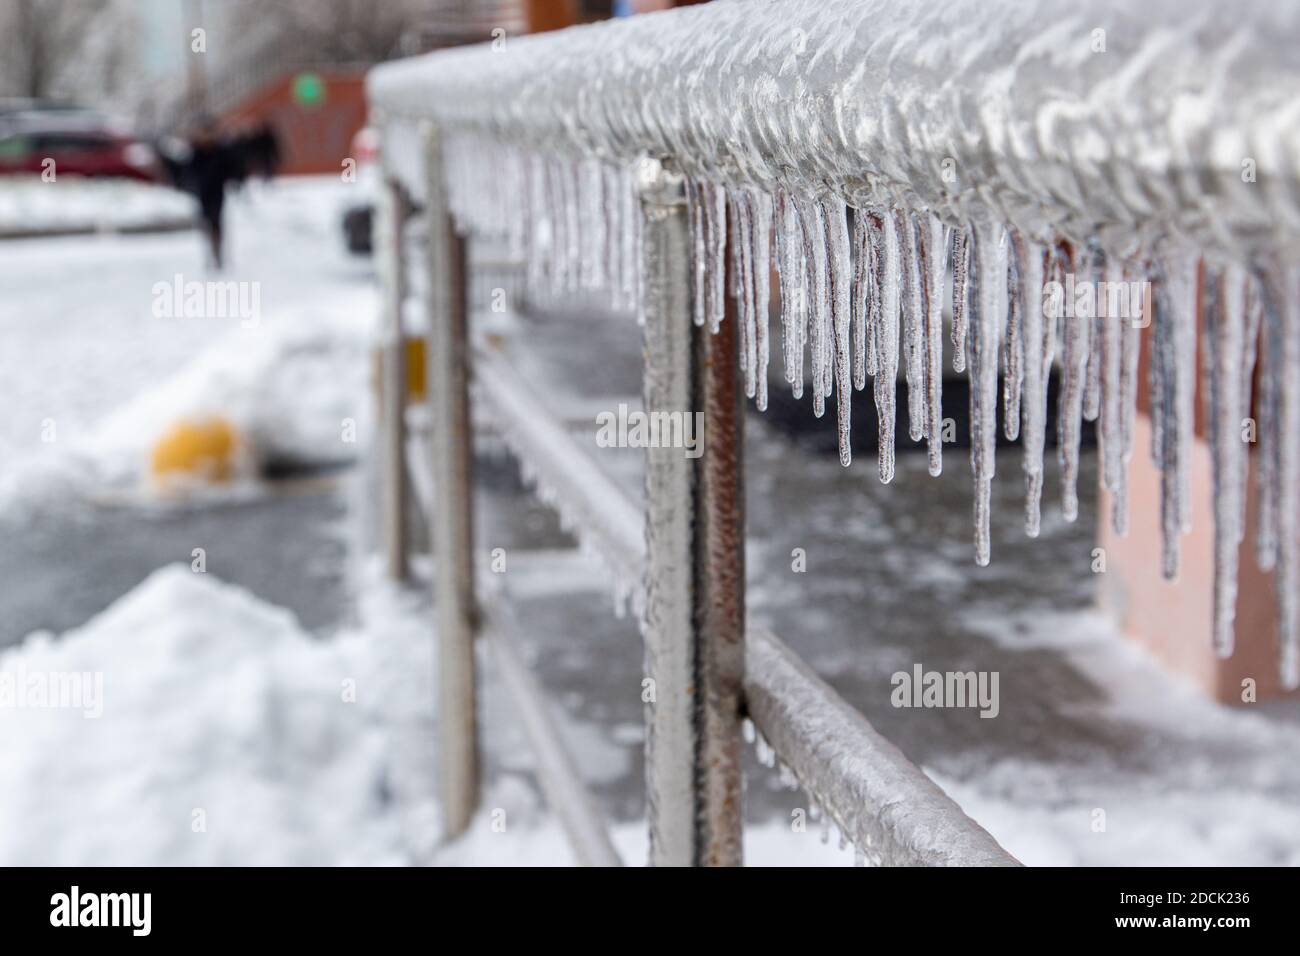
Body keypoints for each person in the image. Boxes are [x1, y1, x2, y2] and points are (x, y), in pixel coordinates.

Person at [168, 116, 244, 269]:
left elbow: (233, 168)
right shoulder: (195, 152)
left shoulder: (221, 151)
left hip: (217, 191)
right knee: (205, 222)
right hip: (202, 192)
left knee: (216, 221)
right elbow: (186, 172)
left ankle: (218, 253)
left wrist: (236, 180)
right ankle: (211, 249)